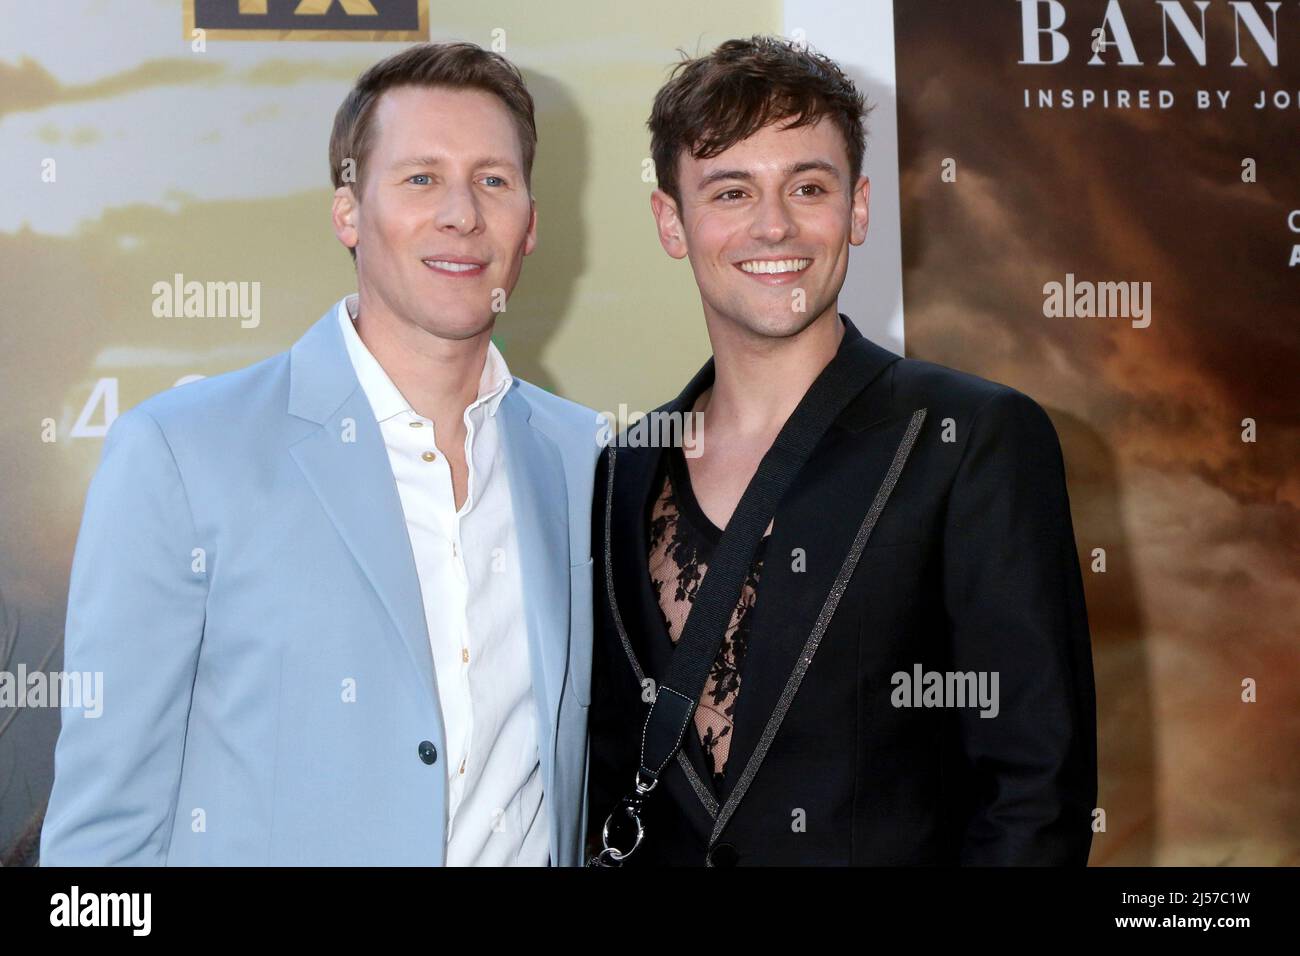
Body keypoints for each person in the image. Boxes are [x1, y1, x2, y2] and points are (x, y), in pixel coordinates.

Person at [42, 42, 600, 866]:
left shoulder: (587, 459)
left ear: (530, 224)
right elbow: (98, 848)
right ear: (348, 212)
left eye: (493, 179)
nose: (461, 213)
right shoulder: (181, 453)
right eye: (420, 178)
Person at [587, 35, 1097, 866]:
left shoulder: (970, 440)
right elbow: (611, 769)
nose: (774, 224)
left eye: (808, 186)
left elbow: (1035, 792)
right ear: (671, 223)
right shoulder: (622, 470)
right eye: (730, 191)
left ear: (858, 208)